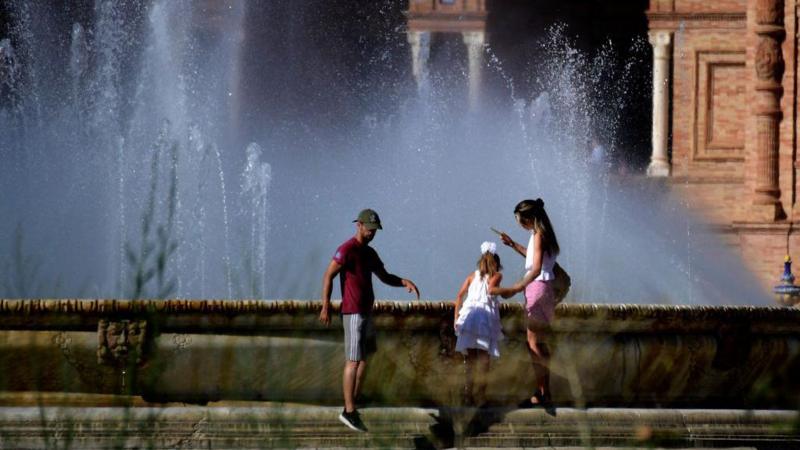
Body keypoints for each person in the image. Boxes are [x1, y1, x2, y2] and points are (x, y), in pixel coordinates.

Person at [319, 208, 420, 433]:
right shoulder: (346, 250)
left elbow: (385, 277)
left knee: (365, 358)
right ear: (359, 225)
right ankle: (348, 411)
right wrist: (326, 305)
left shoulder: (370, 253)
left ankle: (354, 399)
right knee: (353, 361)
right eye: (369, 229)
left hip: (367, 312)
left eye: (375, 230)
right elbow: (328, 275)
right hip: (353, 312)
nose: (372, 233)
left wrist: (404, 282)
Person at [496, 199, 560, 406]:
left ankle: (543, 393)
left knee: (533, 344)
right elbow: (534, 258)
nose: (519, 225)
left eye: (520, 221)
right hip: (546, 289)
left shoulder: (539, 235)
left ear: (530, 219)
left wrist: (516, 288)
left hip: (537, 288)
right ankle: (542, 391)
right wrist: (513, 244)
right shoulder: (541, 234)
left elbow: (535, 269)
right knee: (538, 342)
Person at [453, 241, 505, 406]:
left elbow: (459, 295)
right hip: (484, 318)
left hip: (469, 317)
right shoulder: (497, 276)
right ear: (495, 262)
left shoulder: (471, 276)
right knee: (484, 359)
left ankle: (468, 394)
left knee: (470, 359)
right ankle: (480, 396)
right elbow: (491, 289)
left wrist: (456, 318)